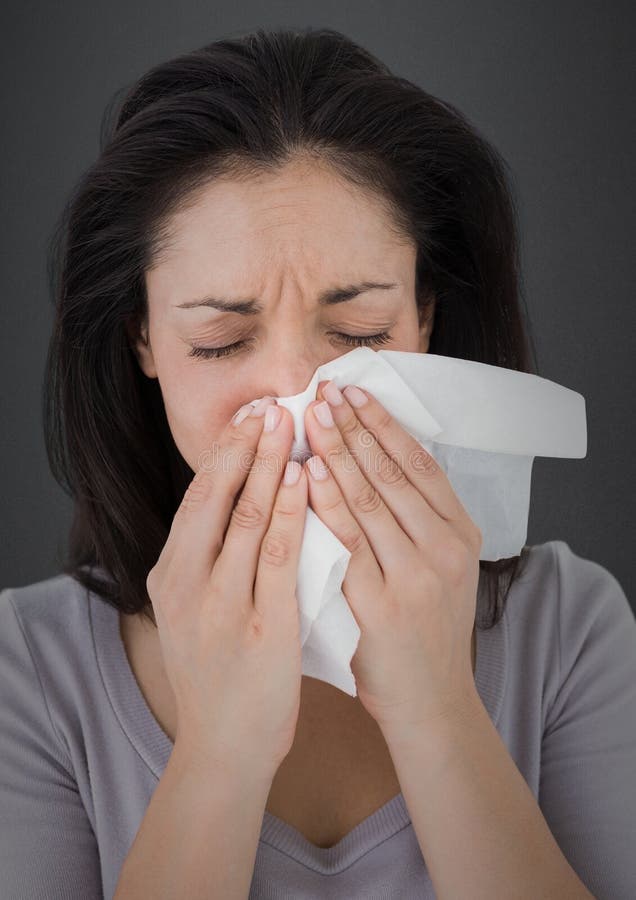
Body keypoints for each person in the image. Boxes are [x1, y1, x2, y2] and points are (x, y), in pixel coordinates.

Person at [1, 25, 634, 900]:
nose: (298, 389)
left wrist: (439, 712)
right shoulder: (29, 670)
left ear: (424, 319)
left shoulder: (571, 631)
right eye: (221, 340)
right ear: (143, 338)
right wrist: (220, 751)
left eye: (359, 333)